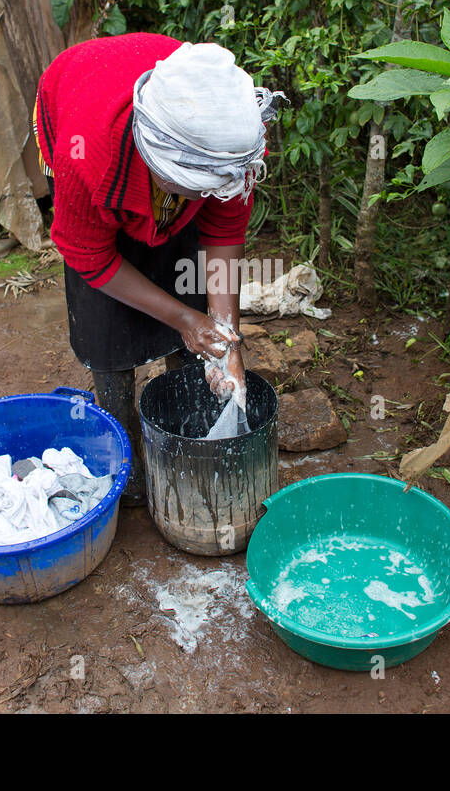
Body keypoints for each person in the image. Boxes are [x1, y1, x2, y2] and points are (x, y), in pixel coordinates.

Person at [33, 32, 284, 505]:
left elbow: (224, 229)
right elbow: (87, 253)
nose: (212, 193)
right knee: (104, 324)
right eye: (198, 185)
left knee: (185, 267)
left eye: (216, 186)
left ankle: (185, 395)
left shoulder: (232, 138)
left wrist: (224, 333)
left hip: (170, 138)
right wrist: (185, 320)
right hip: (76, 98)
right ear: (156, 158)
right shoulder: (84, 153)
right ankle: (125, 456)